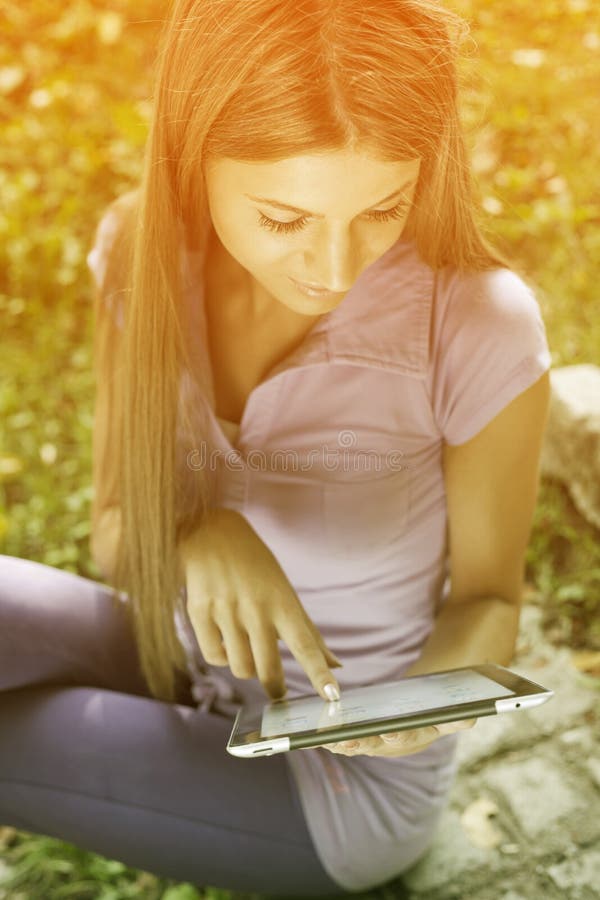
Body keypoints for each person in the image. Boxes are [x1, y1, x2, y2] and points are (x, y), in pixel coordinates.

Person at [0, 0, 553, 895]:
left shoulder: (476, 323)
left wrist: (420, 704)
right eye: (285, 219)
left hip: (337, 775)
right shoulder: (140, 251)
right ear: (196, 148)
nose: (335, 270)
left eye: (383, 208)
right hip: (170, 658)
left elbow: (490, 599)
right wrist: (194, 536)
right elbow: (111, 535)